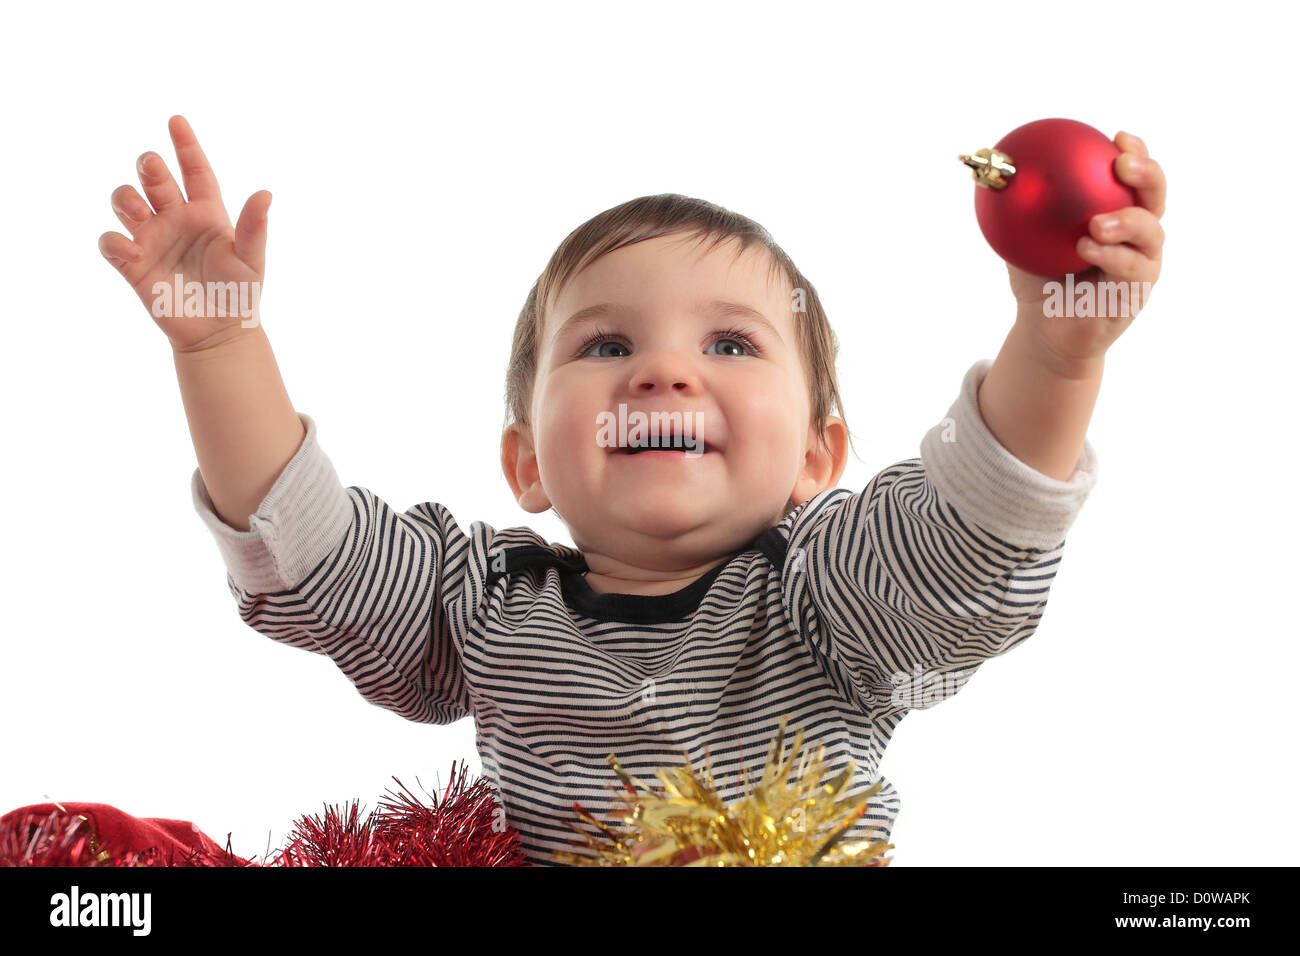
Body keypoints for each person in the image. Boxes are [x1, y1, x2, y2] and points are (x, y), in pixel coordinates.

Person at [99, 116, 1166, 865]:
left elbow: (959, 540)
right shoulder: (484, 600)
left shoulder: (824, 596)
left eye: (730, 342)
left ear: (813, 458)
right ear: (526, 461)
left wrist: (1056, 357)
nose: (663, 371)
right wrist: (223, 340)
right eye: (606, 342)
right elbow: (313, 550)